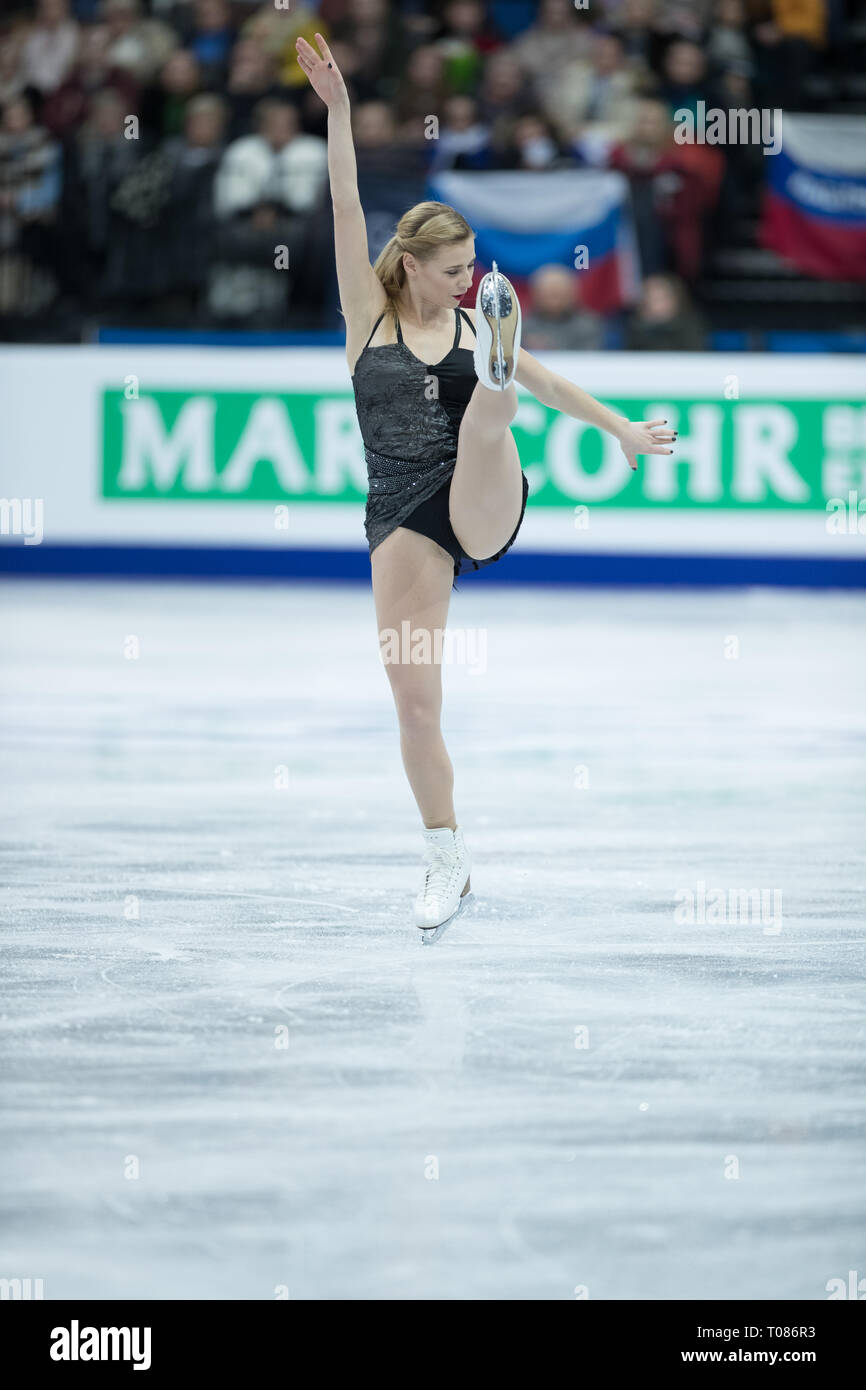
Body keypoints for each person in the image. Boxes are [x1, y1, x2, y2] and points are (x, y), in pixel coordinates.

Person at [295, 32, 677, 934]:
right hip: (402, 519)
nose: (467, 279)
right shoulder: (366, 317)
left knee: (491, 406)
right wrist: (341, 111)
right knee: (416, 703)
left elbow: (560, 388)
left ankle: (491, 383)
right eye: (456, 270)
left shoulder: (470, 325)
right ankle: (445, 856)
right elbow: (346, 202)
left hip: (485, 499)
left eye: (476, 270)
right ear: (414, 266)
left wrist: (621, 428)